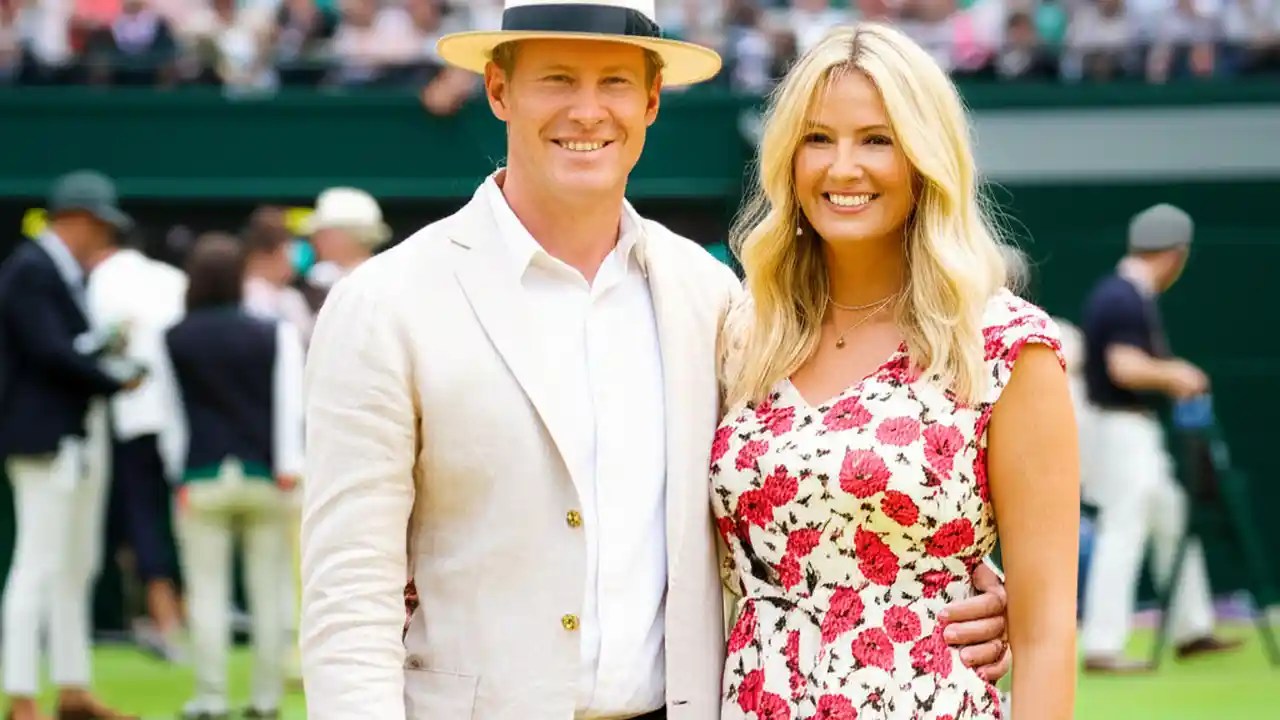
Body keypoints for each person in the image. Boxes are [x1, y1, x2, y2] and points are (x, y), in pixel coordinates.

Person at [299, 3, 1014, 719]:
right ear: (498, 91)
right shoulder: (386, 304)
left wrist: (949, 587)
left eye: (614, 82)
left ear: (649, 102)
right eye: (556, 80)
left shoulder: (707, 297)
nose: (587, 112)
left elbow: (790, 486)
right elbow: (349, 596)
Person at [712, 23, 1079, 719]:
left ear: (924, 156)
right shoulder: (746, 336)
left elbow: (1046, 632)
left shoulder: (1004, 346)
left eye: (876, 139)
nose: (842, 167)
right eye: (817, 138)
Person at [0, 170, 144, 720]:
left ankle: (72, 688)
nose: (105, 238)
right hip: (44, 438)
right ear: (78, 220)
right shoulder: (30, 270)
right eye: (102, 226)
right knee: (36, 565)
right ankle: (20, 695)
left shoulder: (56, 272)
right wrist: (116, 378)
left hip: (74, 435)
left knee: (74, 566)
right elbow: (50, 353)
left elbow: (66, 351)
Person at [1078, 204, 1242, 673]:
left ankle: (1193, 629)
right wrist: (1178, 373)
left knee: (1172, 518)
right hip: (1121, 429)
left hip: (1130, 430)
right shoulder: (1123, 296)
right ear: (1175, 255)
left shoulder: (1125, 294)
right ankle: (1102, 647)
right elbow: (1123, 367)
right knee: (1123, 528)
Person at [156, 233, 305, 720]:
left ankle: (211, 698)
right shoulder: (273, 332)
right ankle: (265, 699)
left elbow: (170, 415)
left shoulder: (174, 335)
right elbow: (290, 404)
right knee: (271, 593)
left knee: (206, 594)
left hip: (201, 476)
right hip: (268, 477)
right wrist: (288, 467)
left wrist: (178, 473)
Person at [84, 220, 190, 663]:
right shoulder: (172, 279)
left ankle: (168, 623)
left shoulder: (102, 280)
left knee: (145, 519)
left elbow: (99, 347)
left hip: (136, 419)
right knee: (174, 520)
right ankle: (178, 620)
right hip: (182, 419)